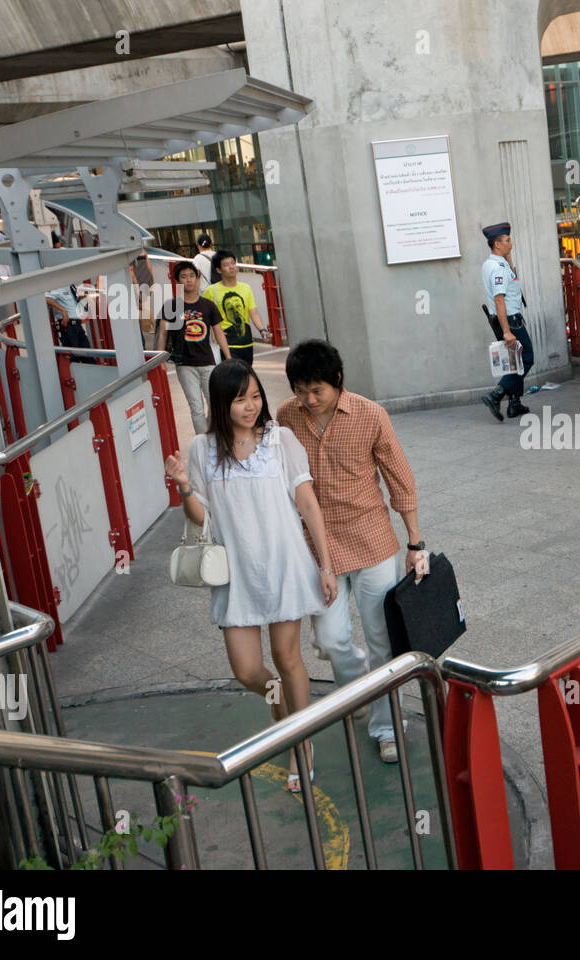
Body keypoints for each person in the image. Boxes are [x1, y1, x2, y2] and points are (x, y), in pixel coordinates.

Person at [163, 360, 338, 792]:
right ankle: (284, 703)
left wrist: (326, 564)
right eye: (240, 399)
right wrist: (184, 486)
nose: (251, 406)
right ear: (221, 403)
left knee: (288, 657)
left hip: (283, 563)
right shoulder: (201, 449)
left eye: (256, 396)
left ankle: (302, 745)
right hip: (236, 572)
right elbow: (200, 516)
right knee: (247, 671)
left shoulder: (281, 441)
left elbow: (309, 504)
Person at [278, 340, 425, 764]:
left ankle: (384, 726)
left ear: (337, 381)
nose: (308, 400)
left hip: (370, 539)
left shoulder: (369, 414)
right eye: (300, 390)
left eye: (316, 391)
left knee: (381, 638)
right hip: (315, 547)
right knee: (330, 638)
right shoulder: (287, 417)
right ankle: (360, 684)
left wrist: (415, 542)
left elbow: (400, 478)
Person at [158, 260, 230, 434]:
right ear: (178, 281)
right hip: (185, 364)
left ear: (198, 278)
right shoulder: (171, 306)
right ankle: (203, 441)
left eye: (192, 276)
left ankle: (211, 434)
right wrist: (160, 359)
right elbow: (162, 333)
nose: (189, 280)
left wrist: (228, 357)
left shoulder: (208, 305)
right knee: (196, 407)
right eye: (184, 276)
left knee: (215, 403)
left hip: (207, 361)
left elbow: (219, 333)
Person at [480, 222, 534, 422]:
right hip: (510, 320)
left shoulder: (491, 263)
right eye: (507, 241)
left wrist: (508, 257)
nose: (511, 244)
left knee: (514, 362)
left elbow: (513, 274)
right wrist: (507, 331)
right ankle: (497, 394)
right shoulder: (498, 269)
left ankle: (514, 404)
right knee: (526, 357)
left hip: (504, 319)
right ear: (497, 244)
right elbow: (499, 299)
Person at [207, 250, 267, 365]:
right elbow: (204, 314)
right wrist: (212, 331)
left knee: (246, 377)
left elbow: (253, 313)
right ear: (218, 270)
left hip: (246, 343)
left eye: (233, 263)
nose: (231, 267)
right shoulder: (212, 291)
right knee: (232, 378)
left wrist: (262, 330)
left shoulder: (246, 288)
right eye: (226, 265)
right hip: (227, 344)